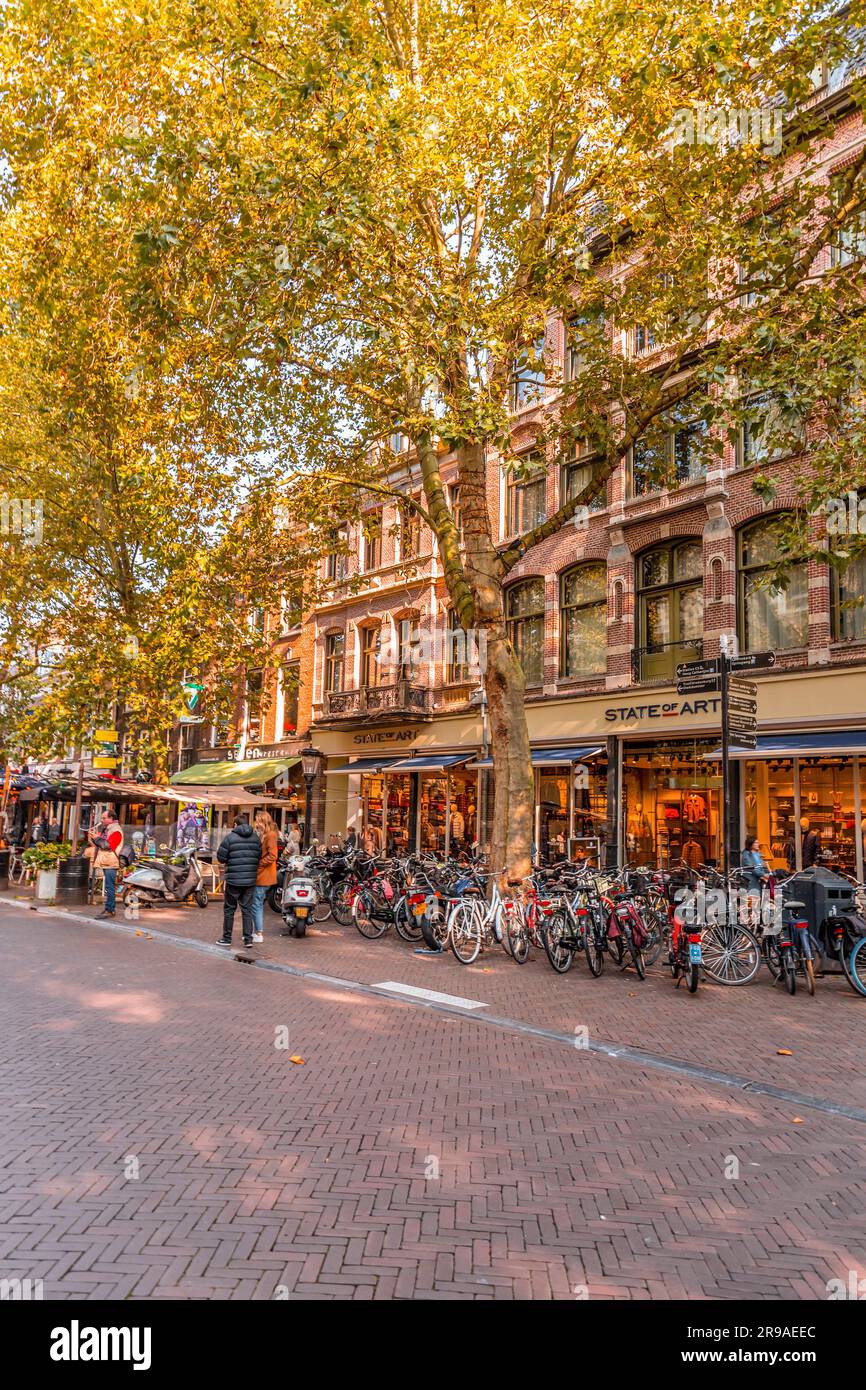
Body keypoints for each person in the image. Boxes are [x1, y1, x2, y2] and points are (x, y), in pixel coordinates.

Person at [215, 815, 262, 949]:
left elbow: (221, 858)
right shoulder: (256, 838)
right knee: (247, 910)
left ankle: (227, 938)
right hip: (250, 881)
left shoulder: (230, 838)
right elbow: (259, 857)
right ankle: (248, 940)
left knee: (229, 909)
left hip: (234, 881)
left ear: (235, 825)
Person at [88, 809, 124, 919]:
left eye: (104, 818)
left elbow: (107, 845)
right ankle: (108, 908)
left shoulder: (116, 830)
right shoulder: (108, 829)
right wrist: (94, 838)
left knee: (110, 886)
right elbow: (101, 844)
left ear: (111, 819)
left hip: (111, 862)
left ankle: (110, 910)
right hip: (107, 861)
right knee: (109, 886)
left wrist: (97, 838)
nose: (102, 820)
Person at [251, 811, 279, 944]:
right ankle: (255, 931)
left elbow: (273, 855)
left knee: (256, 904)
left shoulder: (271, 835)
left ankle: (258, 933)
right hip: (262, 874)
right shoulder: (265, 835)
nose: (257, 824)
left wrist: (259, 865)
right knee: (257, 903)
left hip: (264, 875)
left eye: (258, 821)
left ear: (264, 821)